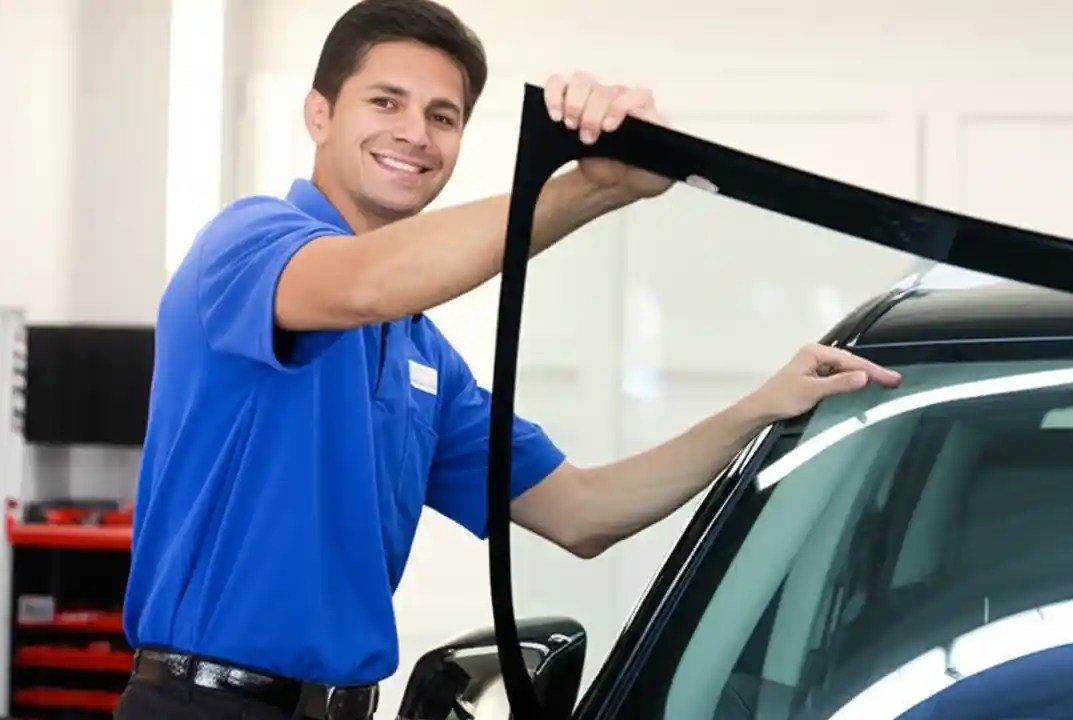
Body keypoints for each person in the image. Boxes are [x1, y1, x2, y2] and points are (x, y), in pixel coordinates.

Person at [113, 1, 902, 718]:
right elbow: (362, 283)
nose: (415, 133)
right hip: (201, 707)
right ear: (319, 113)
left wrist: (760, 408)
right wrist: (588, 191)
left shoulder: (424, 359)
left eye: (443, 115)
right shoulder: (247, 244)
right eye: (385, 101)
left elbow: (582, 512)